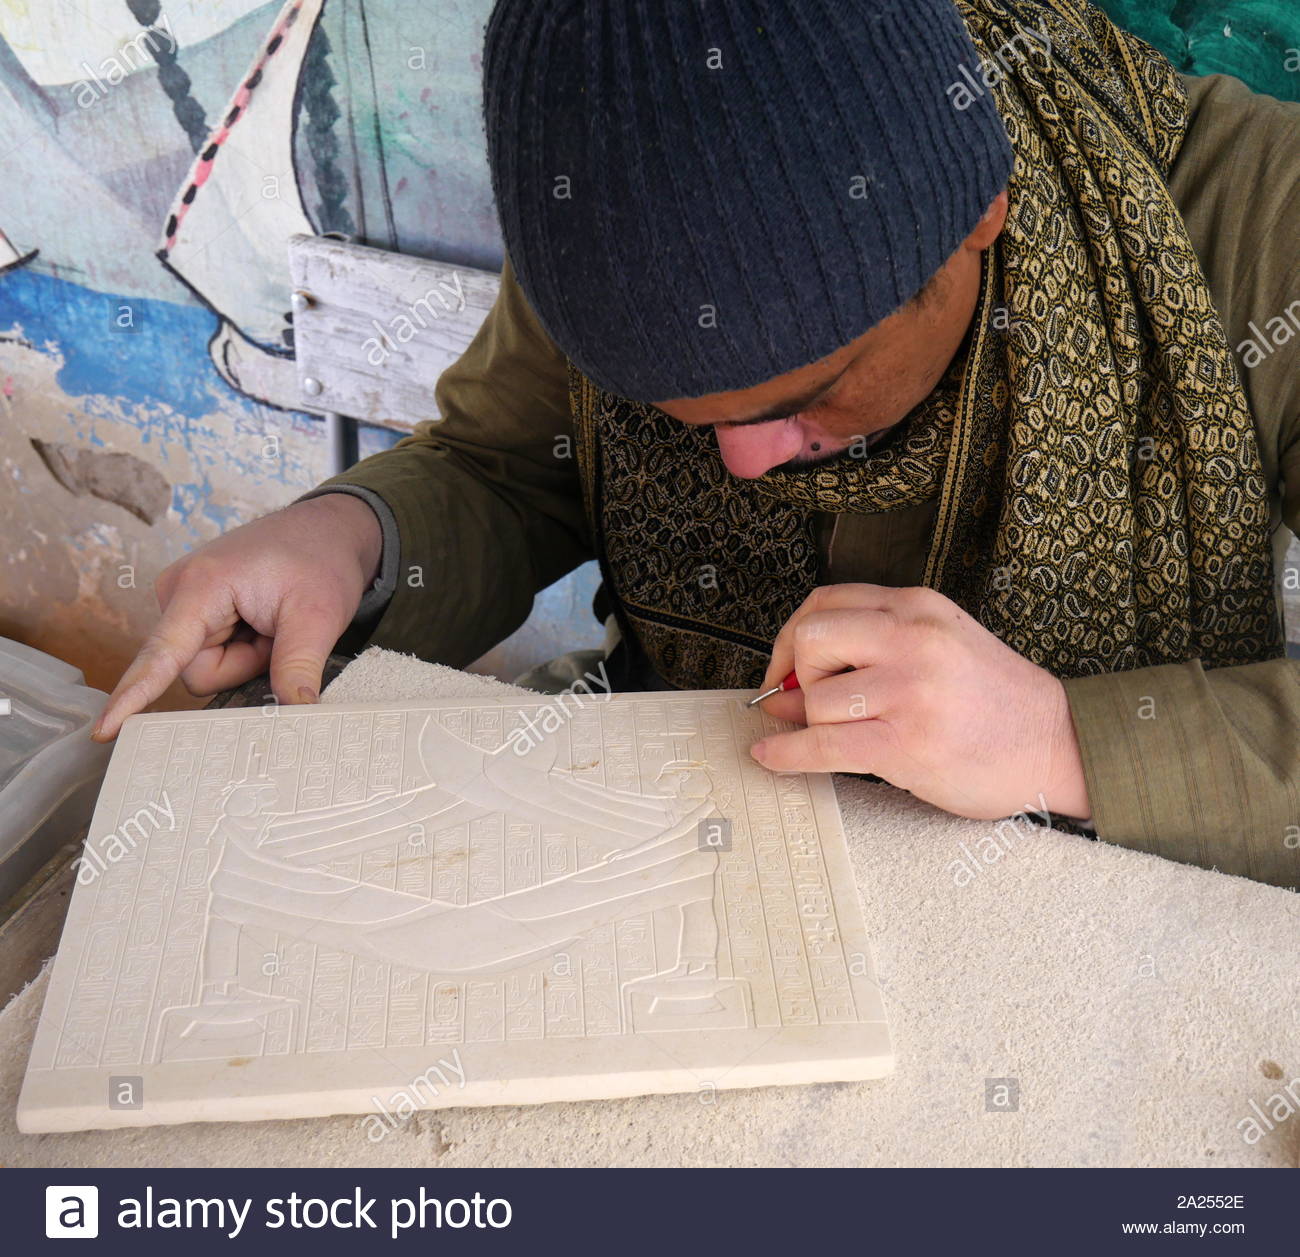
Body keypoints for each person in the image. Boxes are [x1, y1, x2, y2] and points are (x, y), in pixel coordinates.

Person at [96, 0, 1300, 889]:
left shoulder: (1255, 225)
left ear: (980, 213)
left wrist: (1059, 743)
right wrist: (354, 536)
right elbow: (511, 468)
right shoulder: (615, 211)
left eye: (809, 393)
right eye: (680, 419)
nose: (738, 467)